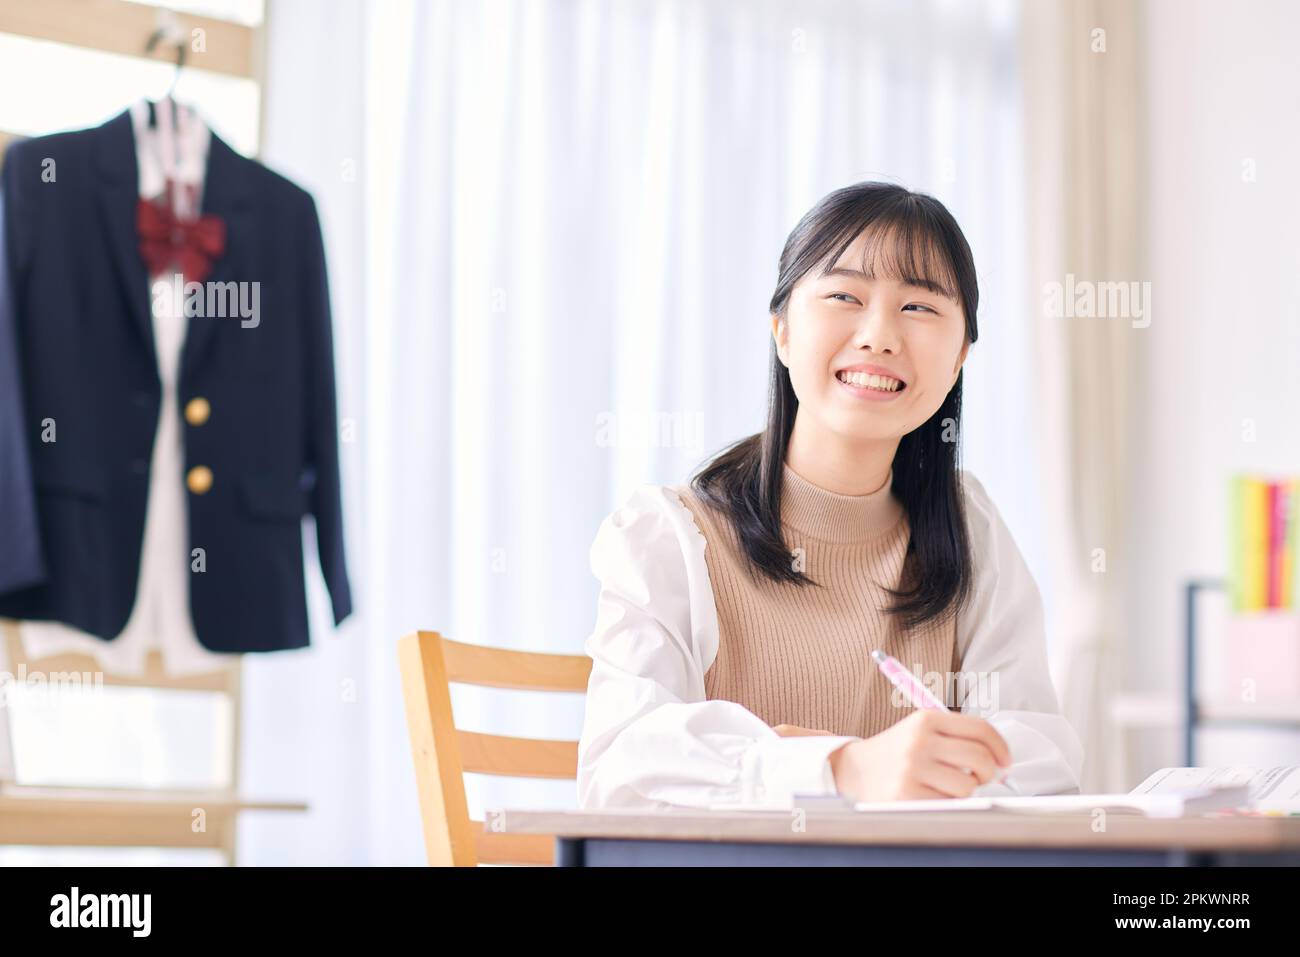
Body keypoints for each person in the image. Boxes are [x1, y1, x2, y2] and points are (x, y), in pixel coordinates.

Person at [577, 182, 1084, 809]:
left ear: (959, 358)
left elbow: (1039, 752)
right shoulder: (669, 535)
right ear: (783, 330)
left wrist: (923, 763)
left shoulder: (968, 525)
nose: (879, 336)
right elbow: (619, 765)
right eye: (845, 295)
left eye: (920, 307)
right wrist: (843, 768)